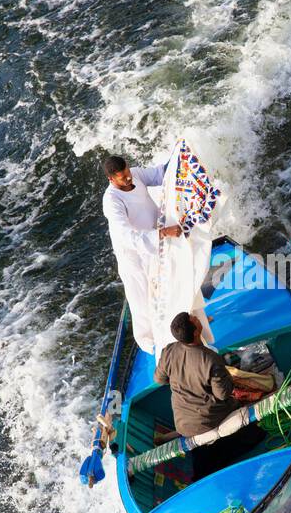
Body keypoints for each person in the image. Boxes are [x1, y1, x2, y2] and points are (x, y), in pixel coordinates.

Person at [154, 312, 262, 479]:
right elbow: (223, 395)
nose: (196, 316)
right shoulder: (210, 359)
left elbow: (159, 379)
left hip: (183, 424)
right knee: (239, 404)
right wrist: (228, 377)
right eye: (194, 318)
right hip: (209, 420)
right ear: (196, 332)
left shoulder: (169, 351)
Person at [102, 154, 181, 352]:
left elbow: (160, 174)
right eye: (122, 177)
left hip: (155, 241)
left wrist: (180, 154)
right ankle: (150, 343)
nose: (128, 178)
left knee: (171, 281)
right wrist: (163, 233)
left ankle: (183, 320)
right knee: (142, 299)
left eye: (127, 172)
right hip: (133, 255)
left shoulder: (135, 174)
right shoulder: (112, 201)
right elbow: (127, 235)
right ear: (111, 179)